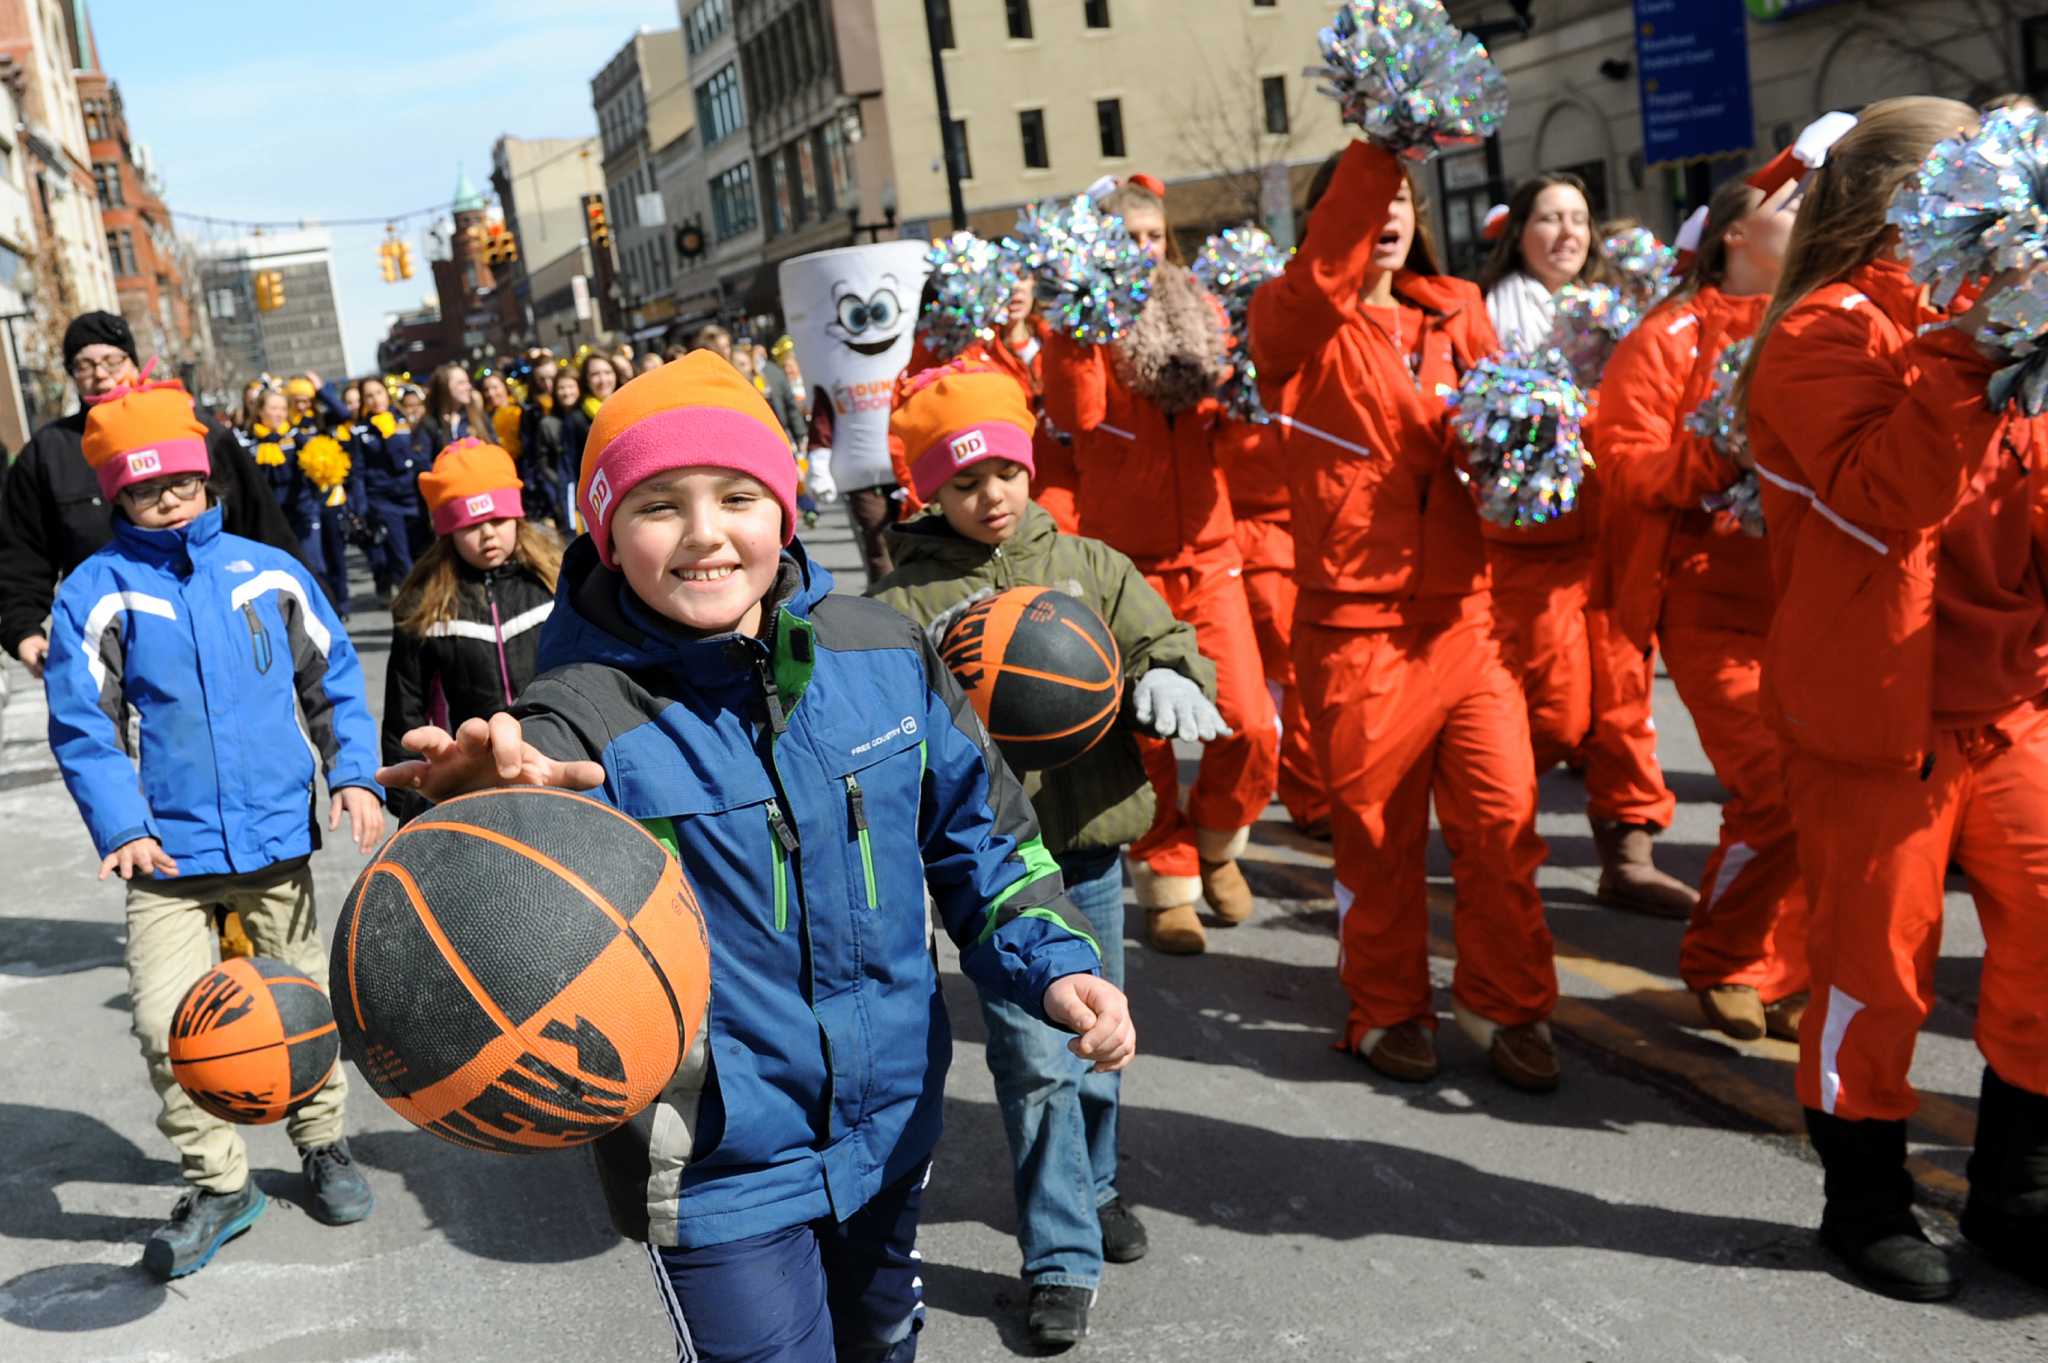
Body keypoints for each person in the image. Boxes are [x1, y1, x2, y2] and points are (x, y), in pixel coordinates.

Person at [379, 352, 1132, 1363]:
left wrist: (1060, 964)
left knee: (882, 1343)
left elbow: (984, 843)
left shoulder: (880, 653)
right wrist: (485, 815)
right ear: (605, 531)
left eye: (737, 495)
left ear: (784, 508)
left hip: (889, 1122)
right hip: (712, 1159)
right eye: (657, 505)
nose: (704, 532)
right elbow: (521, 823)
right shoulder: (580, 718)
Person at [1741, 96, 2048, 1303]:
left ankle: (2016, 1189)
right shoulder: (1820, 332)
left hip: (2011, 694)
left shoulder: (1993, 326)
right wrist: (1977, 344)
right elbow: (1888, 495)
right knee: (1876, 970)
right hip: (1879, 720)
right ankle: (1860, 1196)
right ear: (1900, 207)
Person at [869, 364, 1219, 1348]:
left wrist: (1170, 674)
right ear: (928, 492)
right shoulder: (902, 602)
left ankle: (1093, 1181)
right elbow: (875, 720)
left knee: (1100, 1039)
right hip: (995, 874)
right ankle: (1058, 1259)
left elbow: (1162, 634)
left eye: (1006, 474)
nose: (991, 498)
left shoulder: (1090, 565)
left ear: (1030, 467)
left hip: (1093, 844)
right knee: (1036, 1057)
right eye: (965, 483)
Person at [44, 379, 384, 1280]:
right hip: (164, 853)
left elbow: (335, 678)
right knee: (166, 1023)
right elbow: (83, 719)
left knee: (302, 1011)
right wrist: (120, 822)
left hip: (276, 844)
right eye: (146, 489)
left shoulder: (268, 571)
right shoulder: (96, 591)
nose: (167, 501)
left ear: (206, 478)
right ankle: (221, 1181)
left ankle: (323, 1143)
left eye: (181, 484)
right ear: (117, 493)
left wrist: (349, 772)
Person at [1251, 139, 1559, 1091]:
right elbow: (1319, 277)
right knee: (1379, 844)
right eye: (1368, 200)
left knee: (1504, 821)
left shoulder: (1457, 308)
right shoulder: (1290, 321)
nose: (1389, 212)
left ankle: (1505, 1000)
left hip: (1467, 621)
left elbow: (1505, 431)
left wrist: (1529, 442)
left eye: (1404, 198)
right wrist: (1382, 142)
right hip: (1357, 630)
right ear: (1329, 224)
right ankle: (1386, 1006)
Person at [1042, 175, 1279, 956]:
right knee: (1145, 737)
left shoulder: (1205, 312)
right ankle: (1168, 878)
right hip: (1127, 564)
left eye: (1153, 237)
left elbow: (1242, 442)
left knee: (1247, 721)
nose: (1143, 251)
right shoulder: (1090, 325)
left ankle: (1218, 843)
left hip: (1210, 555)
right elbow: (1077, 418)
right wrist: (1078, 324)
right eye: (1128, 239)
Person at [1600, 171, 1809, 1047]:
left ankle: (1786, 969)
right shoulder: (1665, 335)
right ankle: (1724, 956)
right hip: (1709, 604)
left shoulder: (1816, 320)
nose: (1802, 220)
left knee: (1819, 791)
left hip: (1811, 598)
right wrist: (1721, 450)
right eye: (1788, 206)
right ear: (1733, 232)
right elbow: (1626, 460)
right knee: (1775, 784)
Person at [1482, 177, 1696, 917]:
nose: (1567, 234)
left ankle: (1629, 854)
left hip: (1615, 533)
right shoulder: (1487, 314)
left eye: (1578, 219)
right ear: (1520, 233)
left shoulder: (1623, 313)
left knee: (1624, 699)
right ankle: (1490, 824)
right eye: (1550, 219)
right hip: (1530, 549)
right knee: (1558, 712)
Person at [0, 313, 303, 676]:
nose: (101, 373)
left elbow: (261, 524)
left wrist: (301, 603)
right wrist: (23, 629)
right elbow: (22, 552)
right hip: (106, 641)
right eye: (84, 365)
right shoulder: (49, 452)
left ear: (133, 362)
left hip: (220, 621)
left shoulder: (194, 429)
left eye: (112, 360)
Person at [380, 439, 560, 823]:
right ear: (448, 531)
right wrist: (407, 797)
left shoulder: (553, 585)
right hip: (469, 784)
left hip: (553, 766)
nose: (489, 535)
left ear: (517, 518)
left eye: (498, 520)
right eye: (472, 525)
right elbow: (405, 706)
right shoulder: (424, 606)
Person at [351, 375, 426, 596]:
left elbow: (420, 454)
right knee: (401, 557)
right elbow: (358, 472)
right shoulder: (360, 431)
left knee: (422, 552)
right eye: (369, 396)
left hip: (412, 496)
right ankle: (415, 605)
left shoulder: (405, 420)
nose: (375, 400)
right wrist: (361, 508)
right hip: (383, 501)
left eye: (379, 393)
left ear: (387, 393)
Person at [415, 362, 489, 458]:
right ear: (444, 387)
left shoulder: (477, 415)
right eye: (461, 383)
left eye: (467, 382)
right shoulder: (430, 423)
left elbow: (493, 448)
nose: (468, 387)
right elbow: (422, 462)